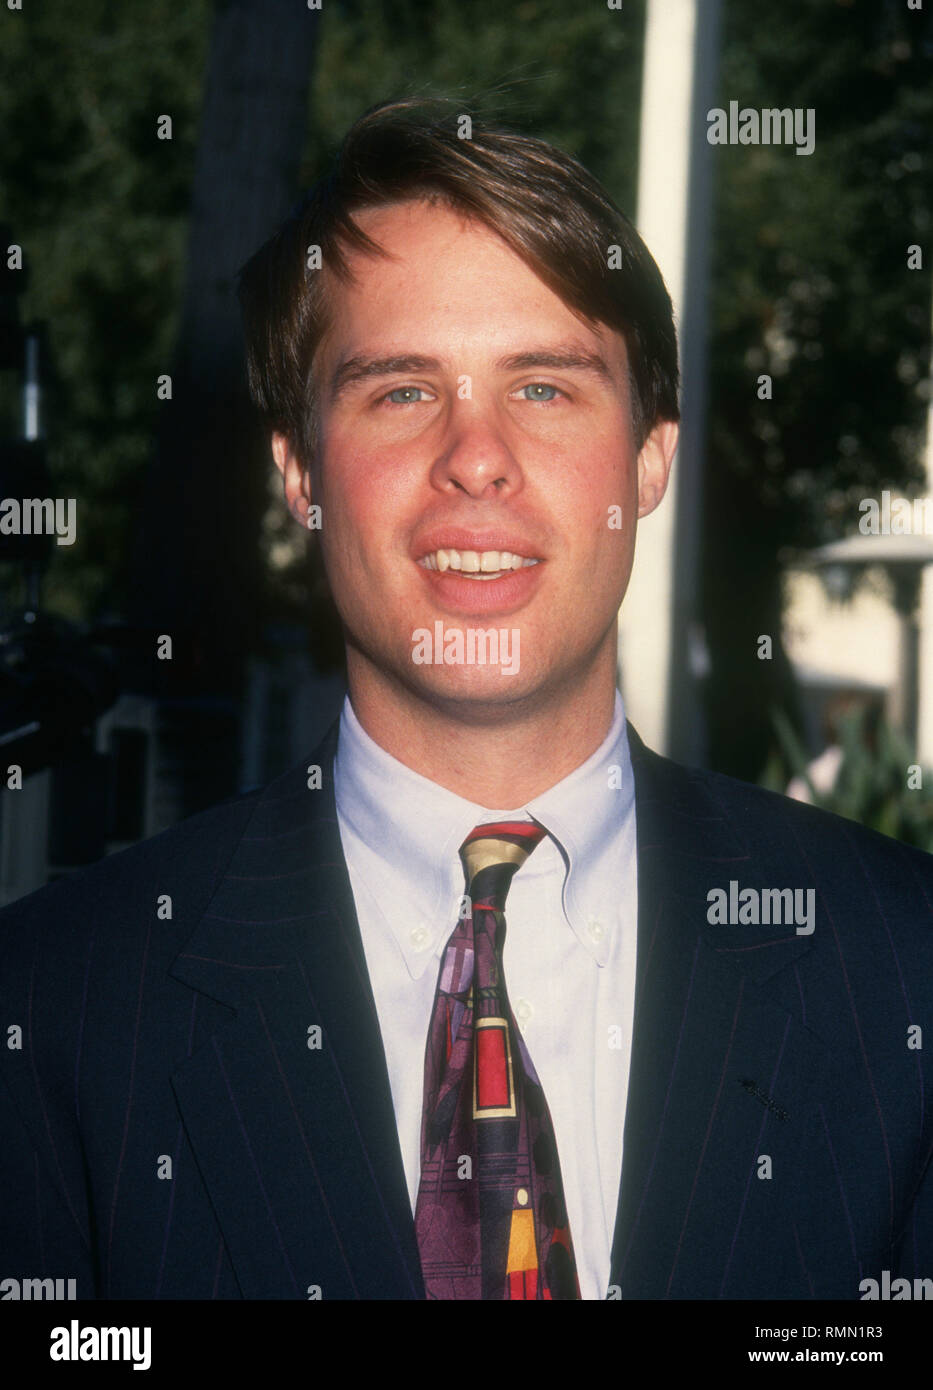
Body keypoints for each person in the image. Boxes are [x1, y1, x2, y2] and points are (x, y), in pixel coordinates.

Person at [1, 98, 931, 1302]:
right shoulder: (58, 1009)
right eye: (400, 391)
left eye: (544, 387)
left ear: (651, 455)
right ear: (300, 470)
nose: (476, 456)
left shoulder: (901, 971)